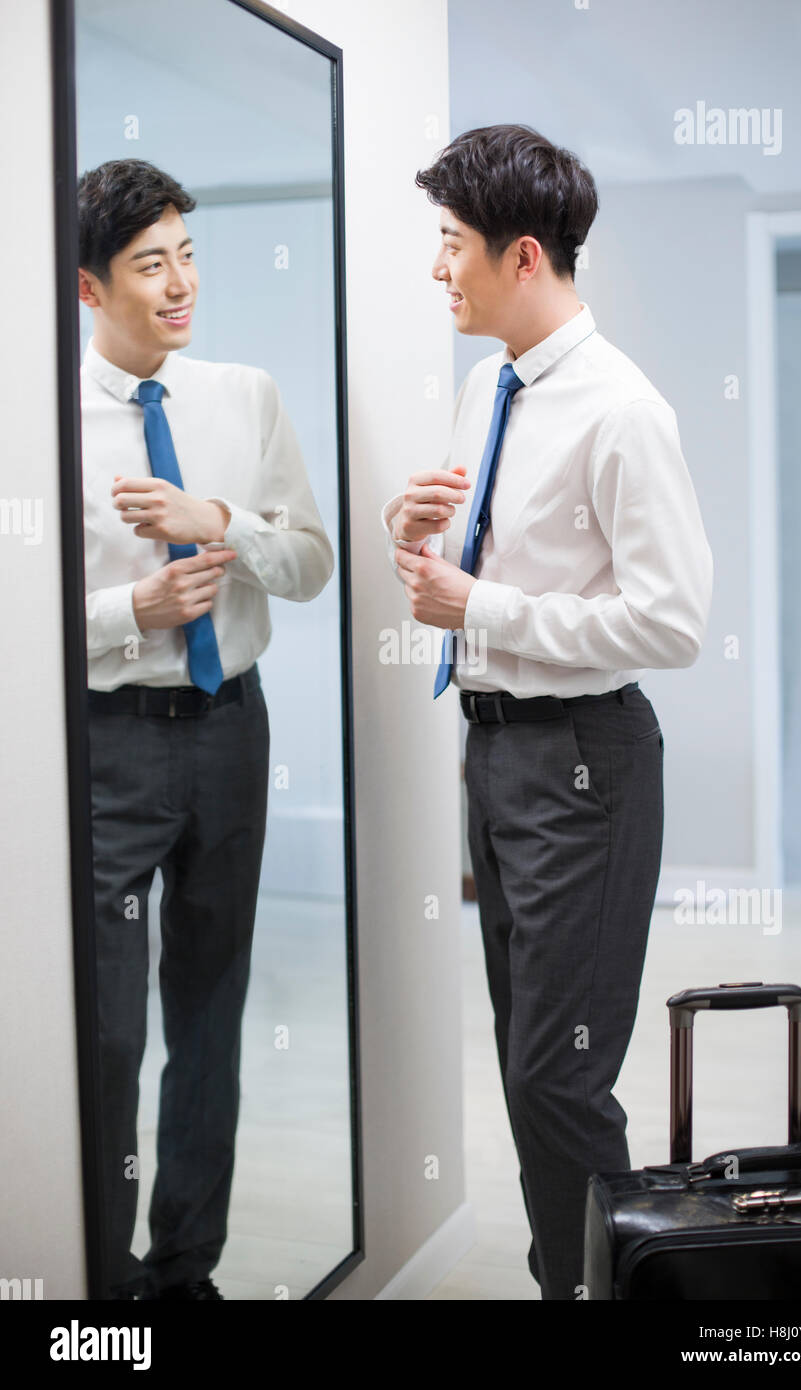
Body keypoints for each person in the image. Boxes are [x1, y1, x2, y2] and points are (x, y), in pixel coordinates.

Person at [381, 124, 713, 1300]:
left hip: (583, 763)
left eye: (450, 244)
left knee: (555, 1077)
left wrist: (487, 603)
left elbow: (671, 622)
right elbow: (487, 569)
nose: (438, 270)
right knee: (533, 1067)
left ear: (522, 256)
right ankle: (562, 1282)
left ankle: (607, 1293)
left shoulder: (624, 410)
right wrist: (412, 536)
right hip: (494, 753)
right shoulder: (489, 388)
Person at [78, 158, 333, 1299]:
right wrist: (130, 607)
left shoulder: (244, 395)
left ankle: (186, 1271)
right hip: (105, 746)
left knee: (210, 1014)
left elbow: (311, 563)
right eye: (149, 266)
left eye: (186, 254)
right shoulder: (31, 424)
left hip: (233, 726)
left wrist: (216, 519)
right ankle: (98, 1268)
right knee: (105, 1032)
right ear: (90, 288)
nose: (180, 284)